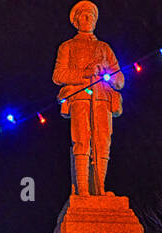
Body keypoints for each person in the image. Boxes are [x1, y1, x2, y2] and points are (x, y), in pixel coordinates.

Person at [53, 1, 124, 196]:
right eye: (84, 16)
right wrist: (84, 73)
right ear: (76, 21)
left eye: (92, 16)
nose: (89, 19)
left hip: (103, 99)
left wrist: (106, 72)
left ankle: (100, 188)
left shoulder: (104, 48)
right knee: (82, 140)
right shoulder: (67, 47)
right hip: (80, 99)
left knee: (103, 142)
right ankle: (83, 190)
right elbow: (58, 75)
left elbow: (120, 80)